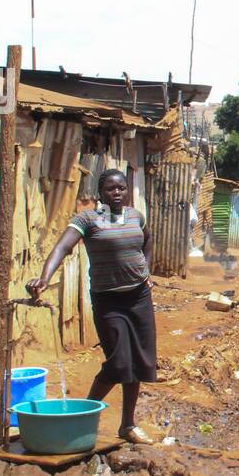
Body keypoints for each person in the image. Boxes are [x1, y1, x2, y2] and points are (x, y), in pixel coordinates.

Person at [27, 169, 157, 445]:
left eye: (121, 188)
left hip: (139, 298)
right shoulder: (88, 219)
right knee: (119, 362)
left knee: (138, 362)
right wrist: (44, 277)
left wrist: (146, 270)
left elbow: (148, 239)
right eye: (111, 189)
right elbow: (62, 248)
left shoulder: (136, 216)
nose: (118, 193)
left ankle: (128, 425)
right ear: (100, 193)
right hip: (108, 300)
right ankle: (84, 413)